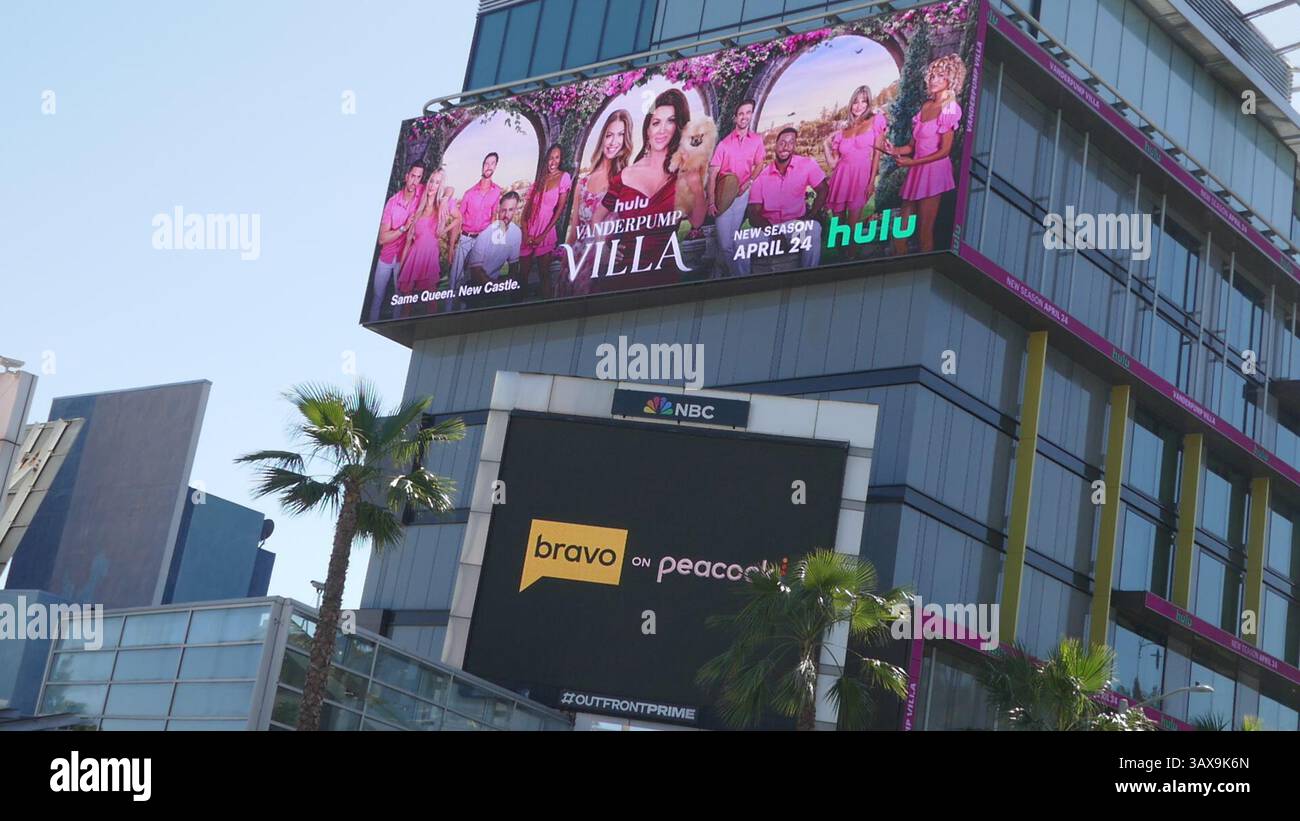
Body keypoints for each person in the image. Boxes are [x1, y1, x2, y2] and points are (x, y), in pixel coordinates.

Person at [588, 88, 702, 293]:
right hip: (623, 275)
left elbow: (697, 221)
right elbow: (596, 218)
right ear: (647, 129)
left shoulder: (683, 174)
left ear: (678, 127)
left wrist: (694, 180)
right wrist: (604, 249)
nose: (662, 129)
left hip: (665, 274)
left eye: (671, 121)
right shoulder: (624, 176)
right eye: (656, 122)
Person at [886, 54, 966, 252]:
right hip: (917, 170)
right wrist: (893, 150)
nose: (934, 80)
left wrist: (911, 163)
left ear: (950, 79)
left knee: (924, 232)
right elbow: (912, 147)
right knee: (901, 232)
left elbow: (945, 151)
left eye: (940, 76)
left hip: (933, 171)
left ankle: (923, 269)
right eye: (932, 75)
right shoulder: (926, 106)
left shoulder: (950, 108)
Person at [562, 109, 634, 298]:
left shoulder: (626, 179)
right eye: (609, 135)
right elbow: (574, 232)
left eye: (620, 135)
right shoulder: (583, 183)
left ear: (625, 140)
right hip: (578, 263)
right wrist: (564, 266)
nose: (613, 142)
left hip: (605, 265)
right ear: (602, 137)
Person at [746, 127, 828, 269]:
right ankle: (743, 280)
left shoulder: (806, 165)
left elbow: (823, 189)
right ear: (775, 146)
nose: (786, 147)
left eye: (790, 143)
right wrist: (774, 233)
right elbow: (753, 215)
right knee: (739, 243)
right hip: (769, 229)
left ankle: (809, 276)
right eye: (782, 142)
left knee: (814, 228)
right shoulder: (761, 176)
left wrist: (811, 215)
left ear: (795, 146)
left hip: (795, 227)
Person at [824, 85, 887, 255]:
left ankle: (851, 257)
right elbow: (833, 164)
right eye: (856, 102)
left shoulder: (876, 120)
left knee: (851, 228)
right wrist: (825, 145)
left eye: (863, 101)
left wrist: (871, 181)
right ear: (851, 104)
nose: (859, 106)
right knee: (838, 227)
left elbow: (877, 154)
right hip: (840, 178)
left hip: (860, 178)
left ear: (868, 103)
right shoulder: (843, 131)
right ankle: (840, 260)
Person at [706, 98, 766, 277]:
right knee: (726, 244)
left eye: (748, 113)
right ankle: (740, 277)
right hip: (723, 196)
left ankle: (719, 273)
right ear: (735, 117)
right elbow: (712, 175)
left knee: (732, 240)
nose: (744, 117)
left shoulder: (756, 140)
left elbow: (760, 163)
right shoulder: (724, 144)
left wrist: (749, 182)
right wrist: (711, 202)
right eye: (741, 113)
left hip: (742, 195)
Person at [368, 162, 424, 321]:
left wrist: (447, 196)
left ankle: (396, 326)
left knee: (400, 297)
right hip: (386, 256)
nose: (414, 181)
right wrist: (403, 228)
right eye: (412, 176)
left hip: (404, 258)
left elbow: (441, 186)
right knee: (378, 296)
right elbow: (382, 239)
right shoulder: (392, 202)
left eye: (418, 177)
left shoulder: (422, 195)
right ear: (406, 176)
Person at [519, 144, 572, 299]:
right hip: (529, 230)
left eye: (556, 157)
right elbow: (526, 211)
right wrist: (525, 232)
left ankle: (546, 306)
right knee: (522, 274)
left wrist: (543, 235)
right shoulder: (540, 181)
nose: (553, 161)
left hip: (545, 230)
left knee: (544, 274)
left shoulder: (564, 177)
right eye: (550, 158)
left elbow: (559, 210)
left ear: (561, 160)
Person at [394, 169, 449, 317]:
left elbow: (451, 190)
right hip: (413, 258)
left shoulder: (442, 207)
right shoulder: (418, 212)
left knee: (431, 303)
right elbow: (407, 243)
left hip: (430, 258)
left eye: (437, 183)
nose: (432, 185)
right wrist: (402, 269)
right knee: (406, 305)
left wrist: (445, 199)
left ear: (440, 186)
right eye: (431, 181)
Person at [449, 152, 503, 292]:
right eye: (486, 163)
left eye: (492, 163)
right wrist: (451, 247)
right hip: (465, 238)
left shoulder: (497, 191)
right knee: (455, 276)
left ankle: (465, 303)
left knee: (473, 277)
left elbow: (494, 218)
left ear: (496, 166)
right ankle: (450, 304)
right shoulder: (469, 193)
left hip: (482, 240)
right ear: (482, 166)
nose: (489, 166)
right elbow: (458, 220)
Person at [463, 191, 523, 306]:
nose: (506, 214)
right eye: (503, 210)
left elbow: (514, 267)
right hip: (473, 285)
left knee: (519, 286)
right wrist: (498, 286)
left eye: (511, 210)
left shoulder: (516, 233)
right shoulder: (485, 234)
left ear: (515, 211)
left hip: (495, 283)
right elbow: (475, 273)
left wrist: (506, 285)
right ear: (498, 210)